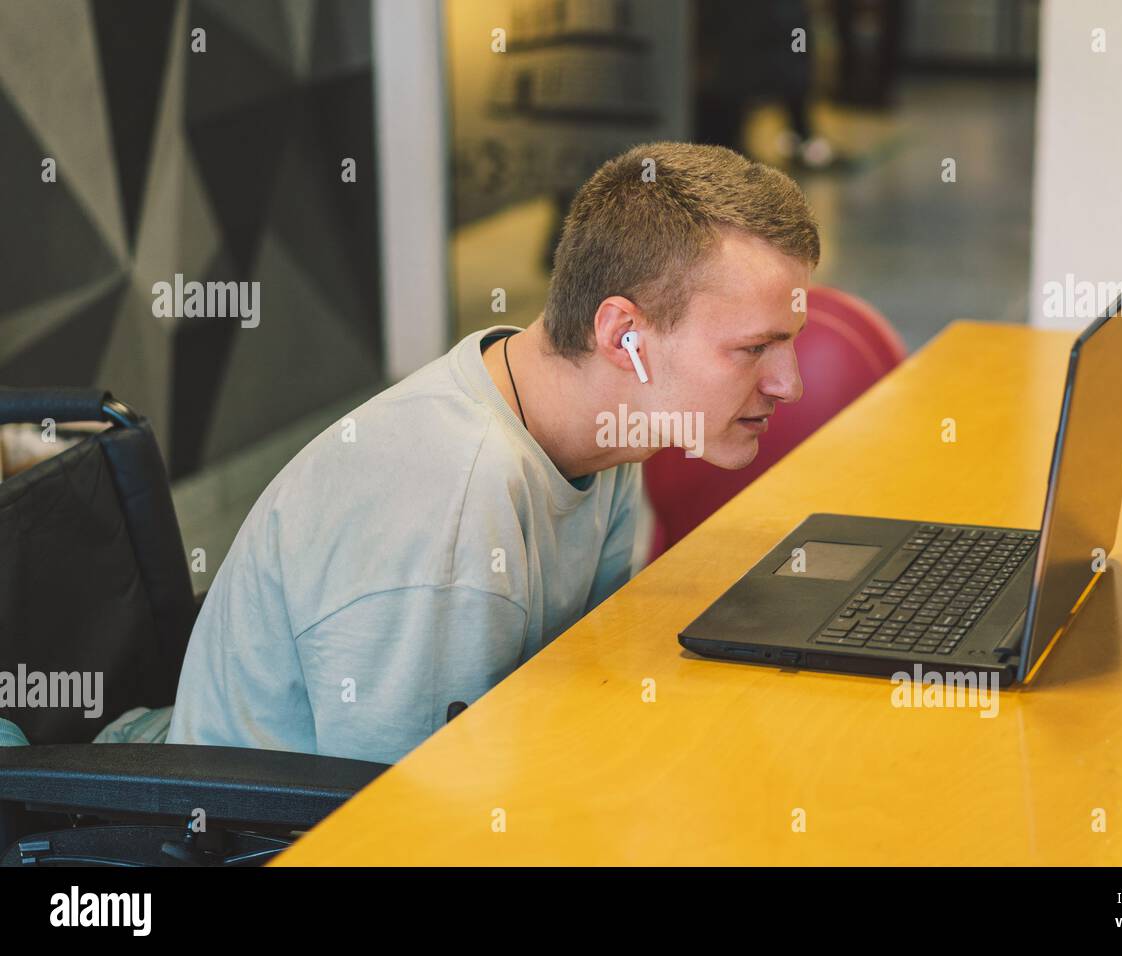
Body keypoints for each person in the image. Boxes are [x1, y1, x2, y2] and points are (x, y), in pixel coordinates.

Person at [168, 142, 821, 764]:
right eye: (753, 348)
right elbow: (402, 818)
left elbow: (582, 683)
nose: (788, 384)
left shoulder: (606, 434)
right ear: (624, 337)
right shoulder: (454, 501)